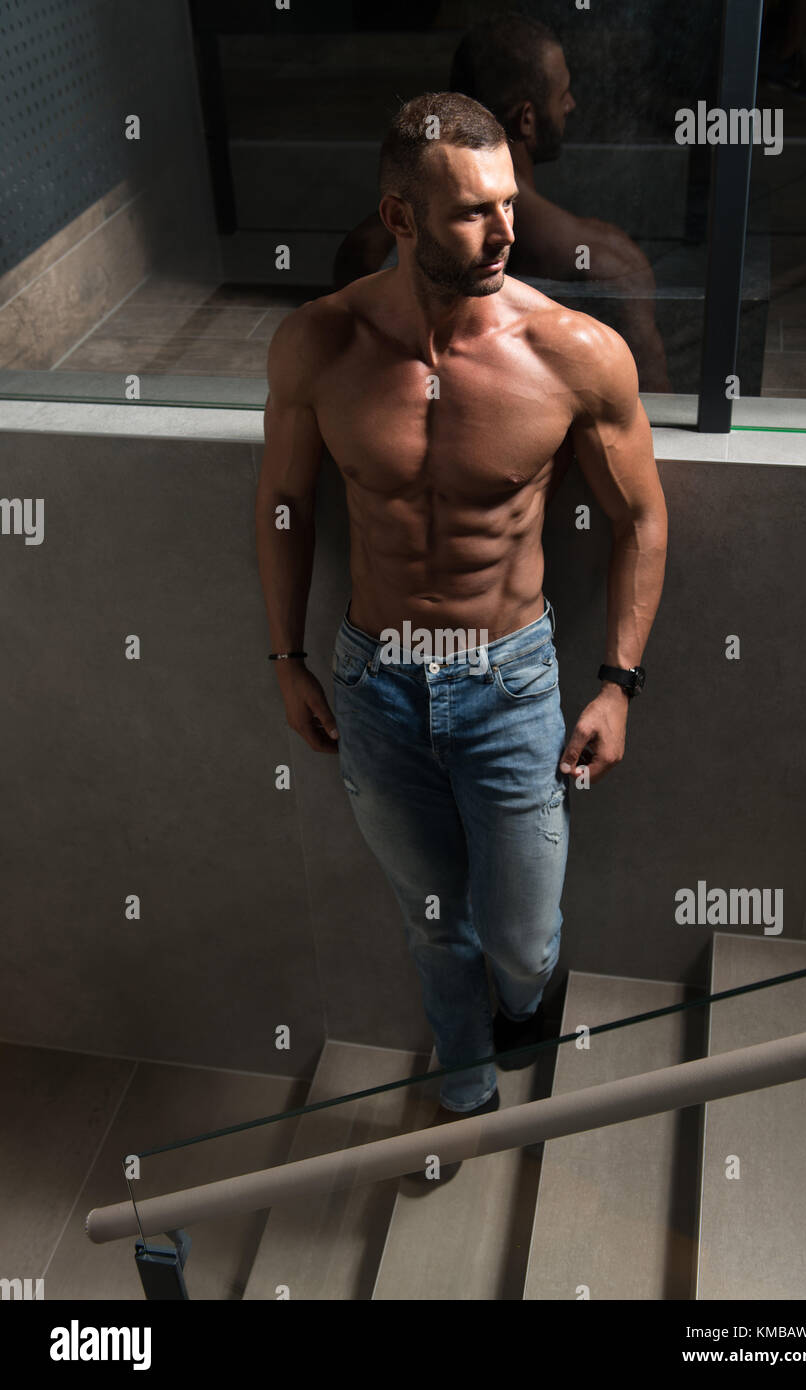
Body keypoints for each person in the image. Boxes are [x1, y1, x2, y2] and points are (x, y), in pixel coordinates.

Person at [256, 91, 667, 1179]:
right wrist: (287, 657)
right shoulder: (321, 343)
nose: (506, 232)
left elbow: (640, 518)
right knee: (436, 924)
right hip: (378, 687)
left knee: (522, 936)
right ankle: (466, 1089)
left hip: (511, 686)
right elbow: (284, 505)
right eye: (472, 213)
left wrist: (617, 680)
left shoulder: (574, 352)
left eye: (508, 204)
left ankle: (527, 1008)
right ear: (400, 218)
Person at [333, 13, 672, 392]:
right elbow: (658, 405)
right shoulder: (613, 262)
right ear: (526, 118)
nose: (571, 105)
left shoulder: (365, 249)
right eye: (563, 95)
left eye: (507, 204)